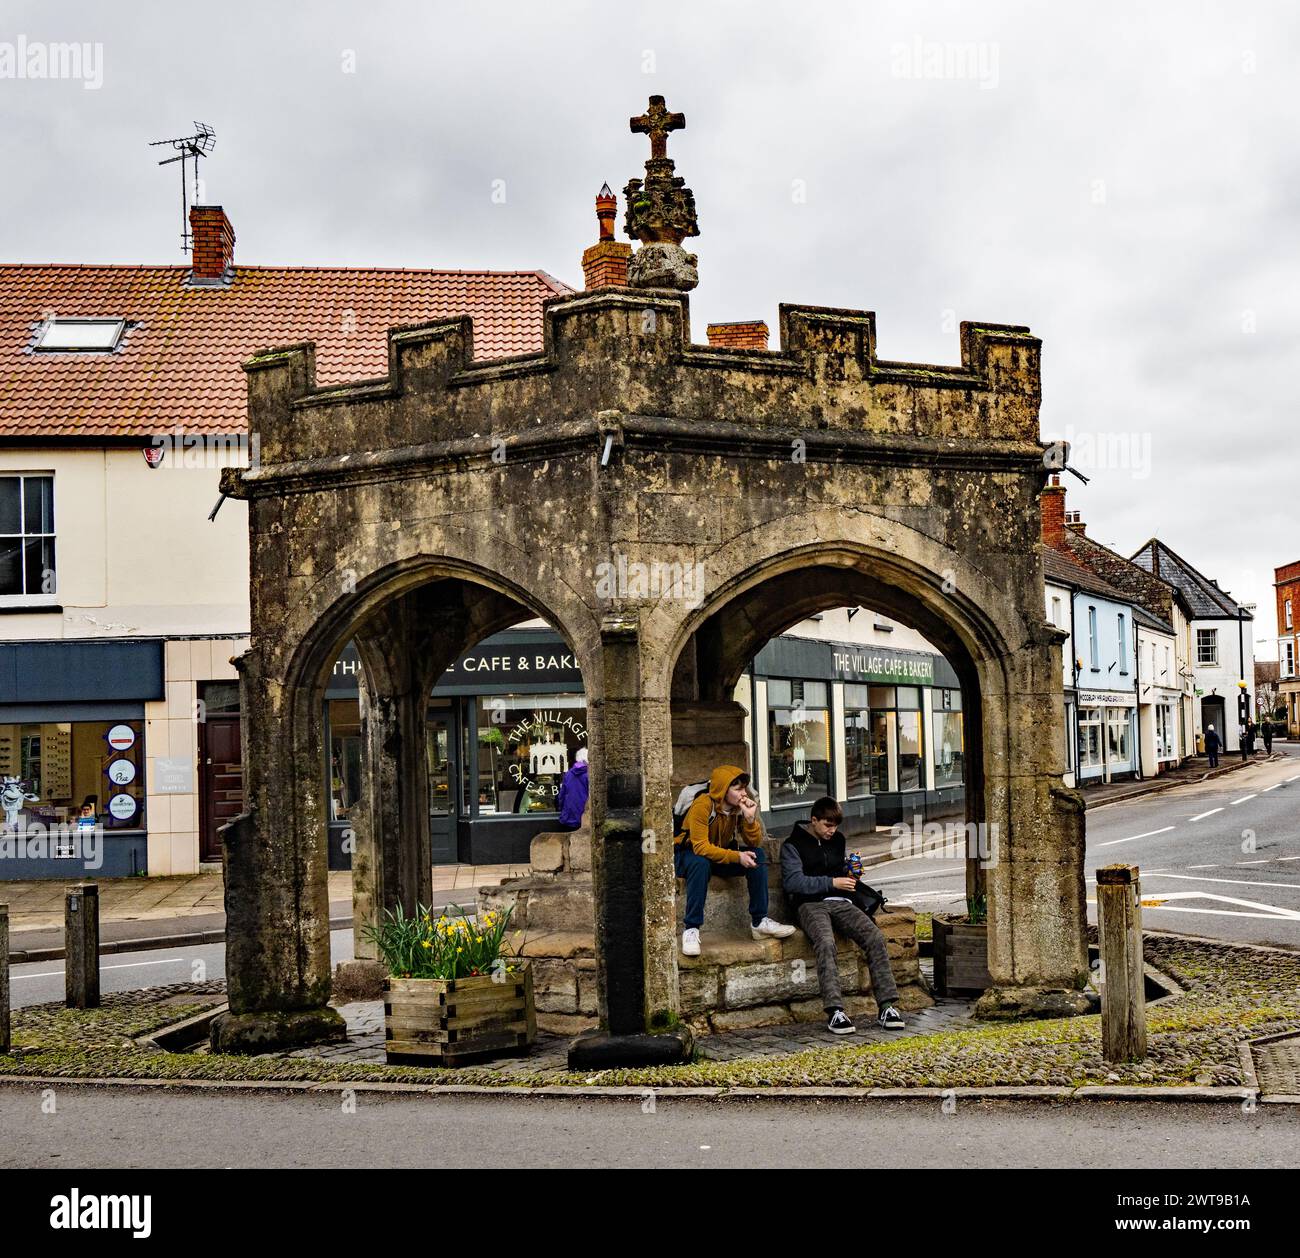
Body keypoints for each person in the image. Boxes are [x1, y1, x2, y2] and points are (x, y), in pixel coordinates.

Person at [780, 796, 905, 1035]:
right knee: (826, 943)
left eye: (835, 826)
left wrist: (850, 871)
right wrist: (832, 882)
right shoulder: (792, 845)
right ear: (813, 820)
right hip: (809, 904)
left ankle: (887, 1006)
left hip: (841, 901)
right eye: (827, 825)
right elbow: (794, 882)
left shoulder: (837, 840)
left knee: (874, 936)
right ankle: (835, 1011)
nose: (832, 831)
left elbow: (839, 870)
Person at [674, 765, 795, 956]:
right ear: (723, 789)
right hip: (688, 854)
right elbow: (700, 847)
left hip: (718, 855)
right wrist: (737, 856)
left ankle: (759, 922)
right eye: (737, 789)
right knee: (700, 862)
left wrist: (749, 819)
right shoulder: (703, 805)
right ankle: (691, 928)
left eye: (744, 788)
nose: (743, 793)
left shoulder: (738, 809)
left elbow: (754, 841)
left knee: (758, 855)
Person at [555, 747, 588, 831]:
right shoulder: (589, 776)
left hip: (568, 817)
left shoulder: (569, 774)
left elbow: (561, 796)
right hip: (583, 819)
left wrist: (562, 809)